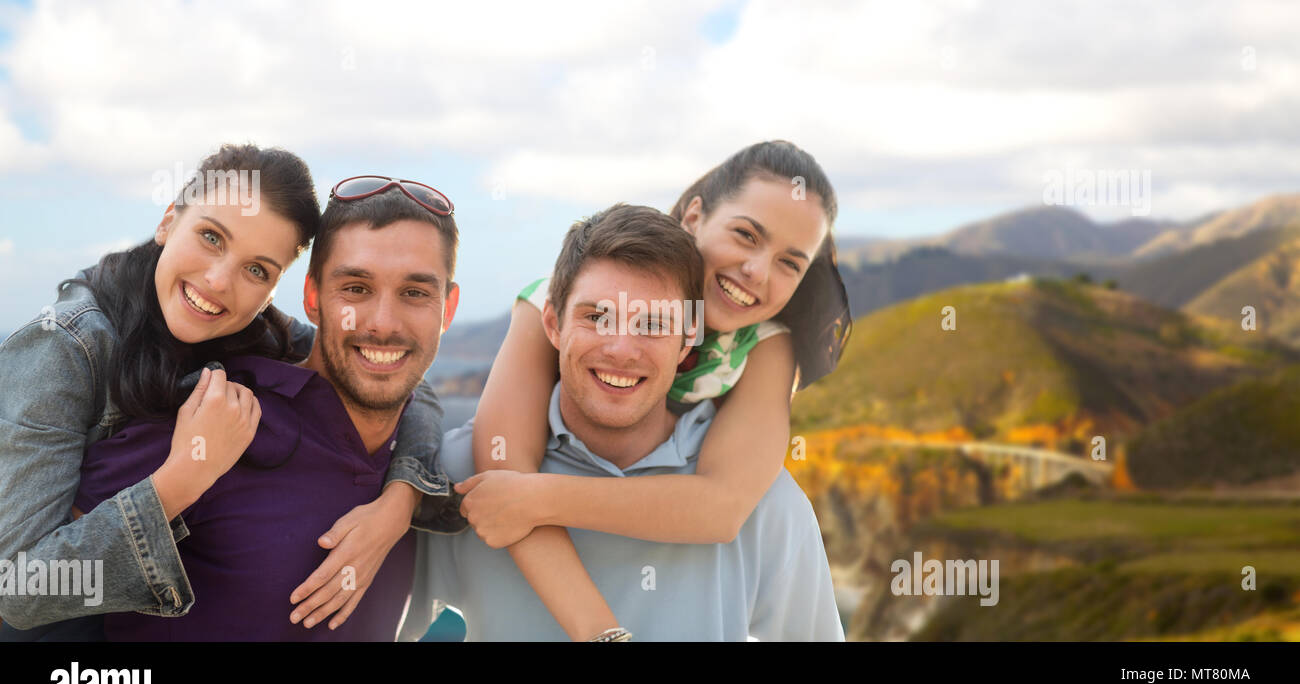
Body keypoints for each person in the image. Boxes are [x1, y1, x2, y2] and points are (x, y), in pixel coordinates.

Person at [0, 149, 456, 639]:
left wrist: (399, 501)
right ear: (168, 221)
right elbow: (17, 590)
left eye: (257, 269)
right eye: (211, 236)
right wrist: (186, 476)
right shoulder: (67, 345)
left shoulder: (252, 329)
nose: (219, 281)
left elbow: (395, 377)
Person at [450, 141, 852, 640]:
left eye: (790, 263)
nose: (757, 271)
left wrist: (542, 496)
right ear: (694, 215)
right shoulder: (567, 297)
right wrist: (601, 633)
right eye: (746, 235)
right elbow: (502, 475)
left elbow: (721, 510)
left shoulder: (767, 347)